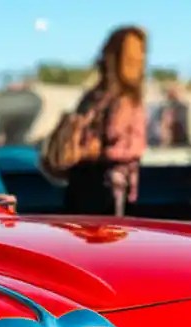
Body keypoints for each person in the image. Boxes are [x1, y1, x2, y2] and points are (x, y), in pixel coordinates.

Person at [62, 26, 149, 216]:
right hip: (95, 184)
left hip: (106, 186)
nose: (138, 59)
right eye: (132, 54)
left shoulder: (109, 98)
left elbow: (132, 146)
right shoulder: (100, 98)